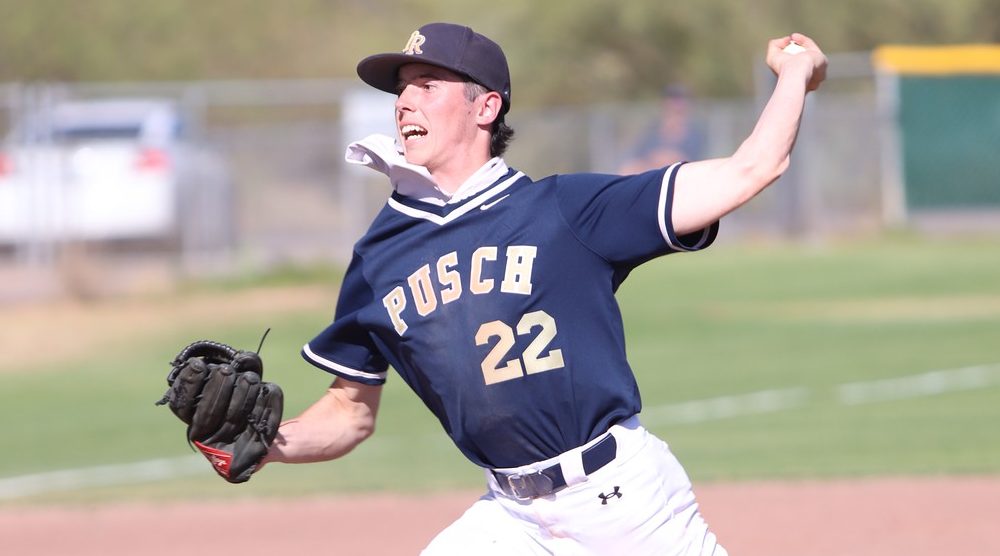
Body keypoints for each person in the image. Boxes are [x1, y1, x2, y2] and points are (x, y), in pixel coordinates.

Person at [262, 22, 827, 555]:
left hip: (623, 503)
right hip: (511, 520)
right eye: (402, 90)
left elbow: (752, 169)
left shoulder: (565, 211)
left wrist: (795, 72)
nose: (404, 102)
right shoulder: (380, 255)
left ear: (485, 107)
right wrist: (262, 443)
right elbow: (349, 413)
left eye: (427, 85)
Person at [619, 84, 707, 174]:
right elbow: (640, 156)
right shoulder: (652, 130)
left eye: (679, 99)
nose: (675, 104)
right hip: (653, 173)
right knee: (629, 168)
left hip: (680, 175)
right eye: (671, 99)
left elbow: (689, 161)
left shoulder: (695, 133)